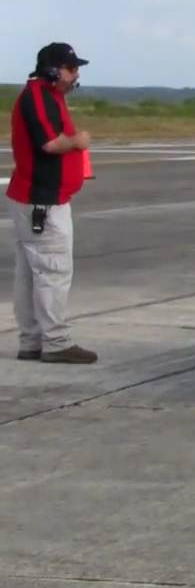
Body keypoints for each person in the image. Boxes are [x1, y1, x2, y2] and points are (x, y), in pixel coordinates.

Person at [6, 42, 98, 363]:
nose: (75, 76)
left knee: (32, 274)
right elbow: (50, 144)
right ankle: (56, 342)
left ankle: (32, 340)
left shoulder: (46, 96)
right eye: (71, 69)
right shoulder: (38, 97)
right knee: (52, 271)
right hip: (42, 201)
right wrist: (77, 142)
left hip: (37, 198)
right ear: (53, 70)